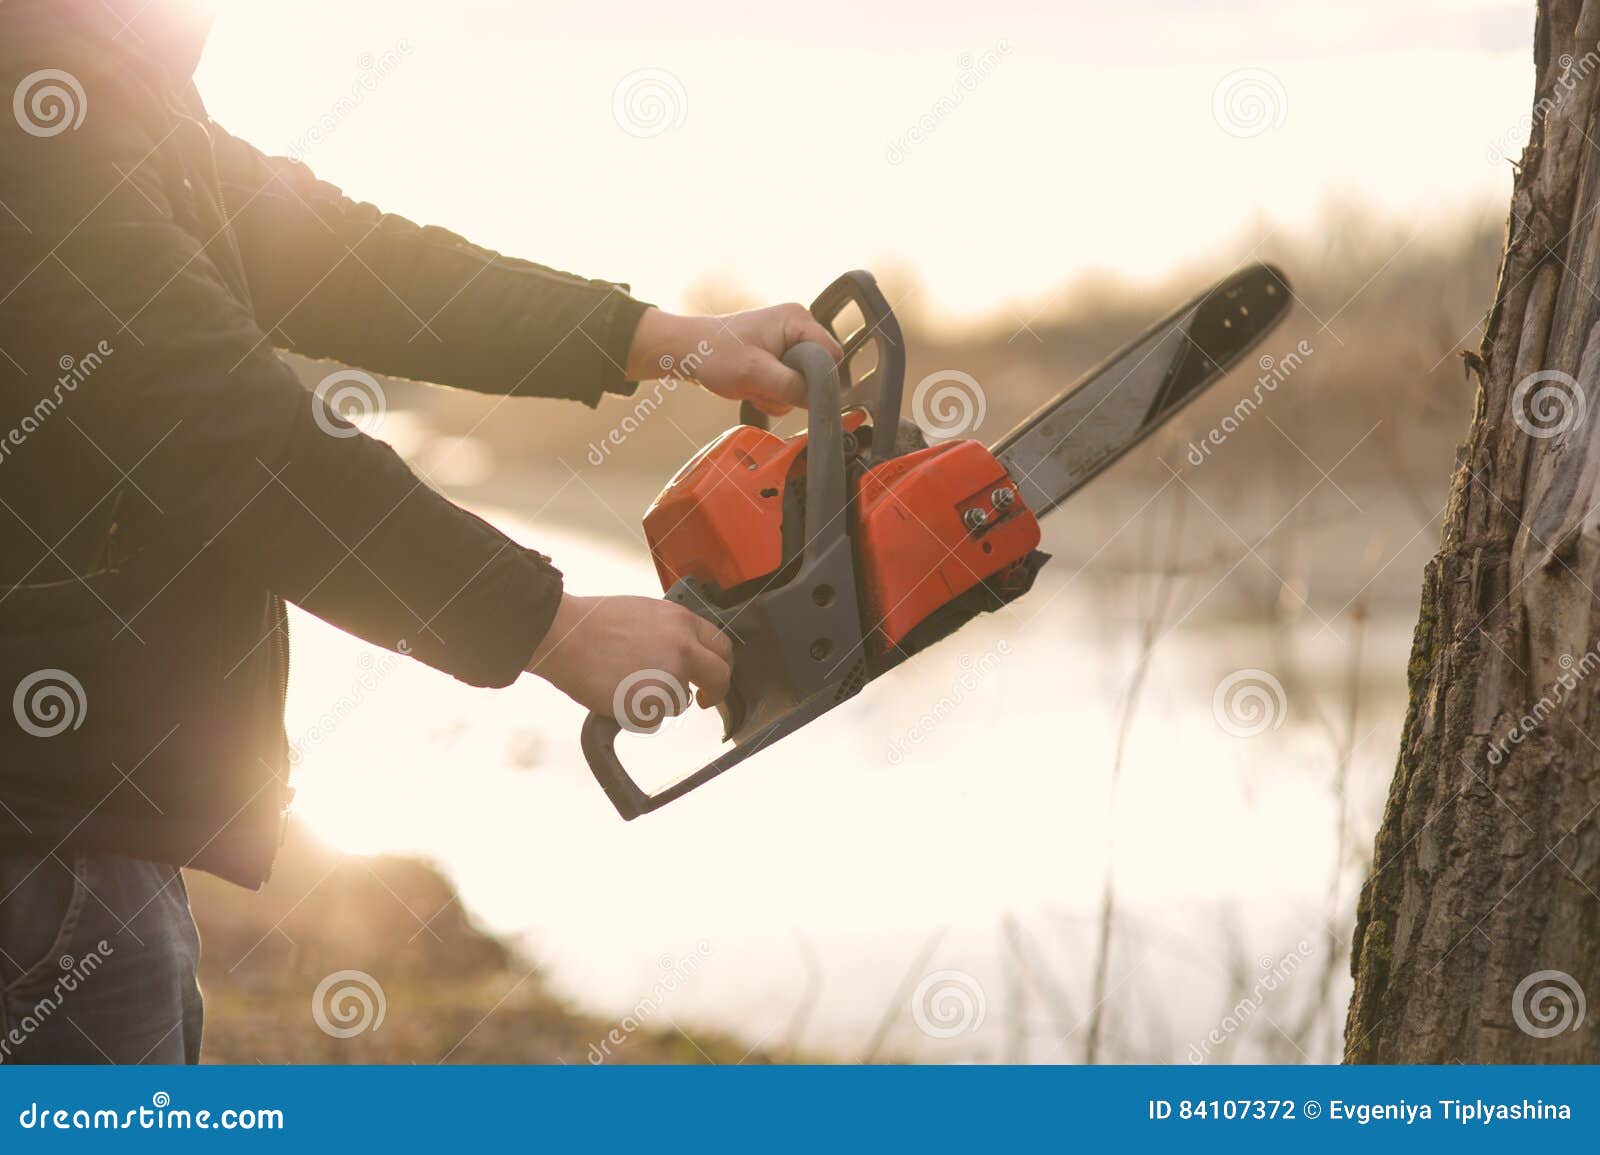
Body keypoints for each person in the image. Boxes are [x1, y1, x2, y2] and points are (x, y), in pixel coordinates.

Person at [0, 0, 840, 1063]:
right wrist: (550, 626)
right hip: (34, 840)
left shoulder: (103, 93)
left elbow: (338, 257)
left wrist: (656, 340)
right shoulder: (37, 103)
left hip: (70, 824)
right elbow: (219, 429)